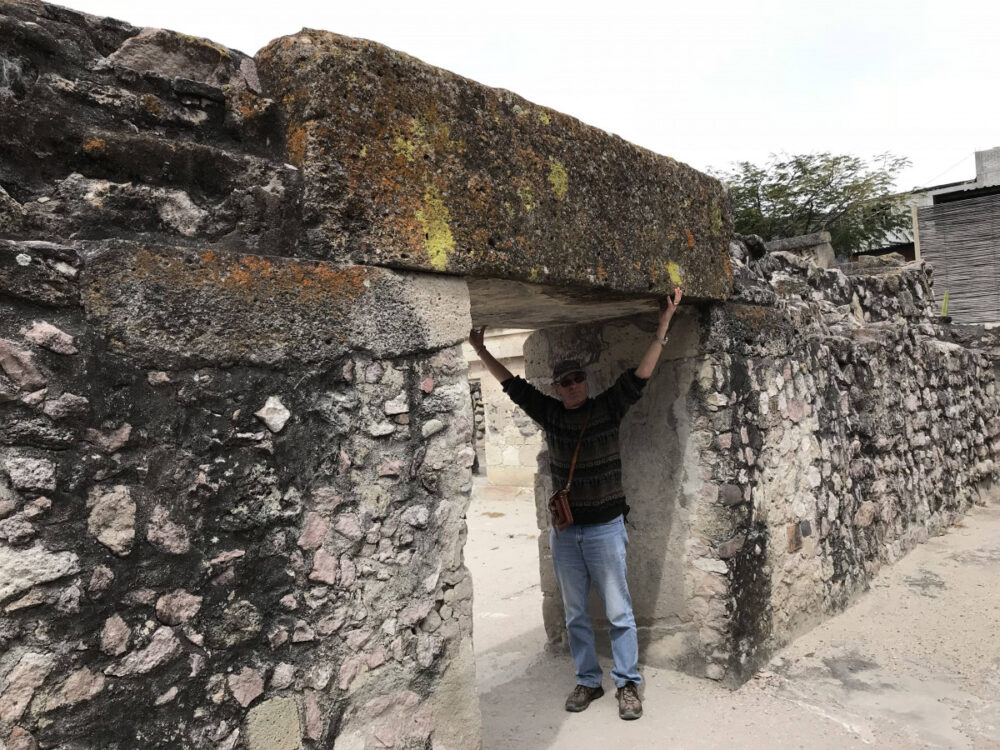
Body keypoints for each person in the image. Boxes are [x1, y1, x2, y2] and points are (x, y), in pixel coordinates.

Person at [468, 287, 683, 721]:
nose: (571, 386)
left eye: (577, 379)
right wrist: (479, 348)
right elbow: (512, 385)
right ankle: (588, 680)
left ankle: (627, 684)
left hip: (605, 528)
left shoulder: (606, 409)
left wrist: (664, 325)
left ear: (586, 381)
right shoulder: (550, 414)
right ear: (557, 387)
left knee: (620, 610)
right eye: (564, 382)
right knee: (575, 613)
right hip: (567, 531)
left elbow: (641, 376)